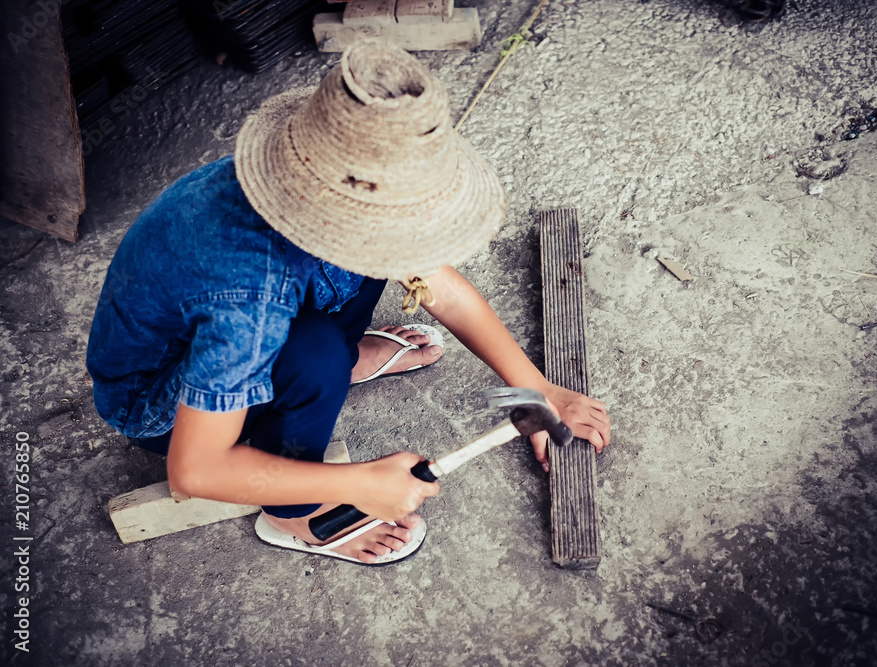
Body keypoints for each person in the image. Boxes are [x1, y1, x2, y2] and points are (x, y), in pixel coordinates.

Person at [86, 41, 610, 565]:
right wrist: (359, 483)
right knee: (314, 355)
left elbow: (438, 283)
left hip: (250, 321)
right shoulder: (246, 300)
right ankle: (292, 515)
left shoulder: (304, 181)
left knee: (374, 267)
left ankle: (341, 359)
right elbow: (195, 470)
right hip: (168, 408)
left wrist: (535, 386)